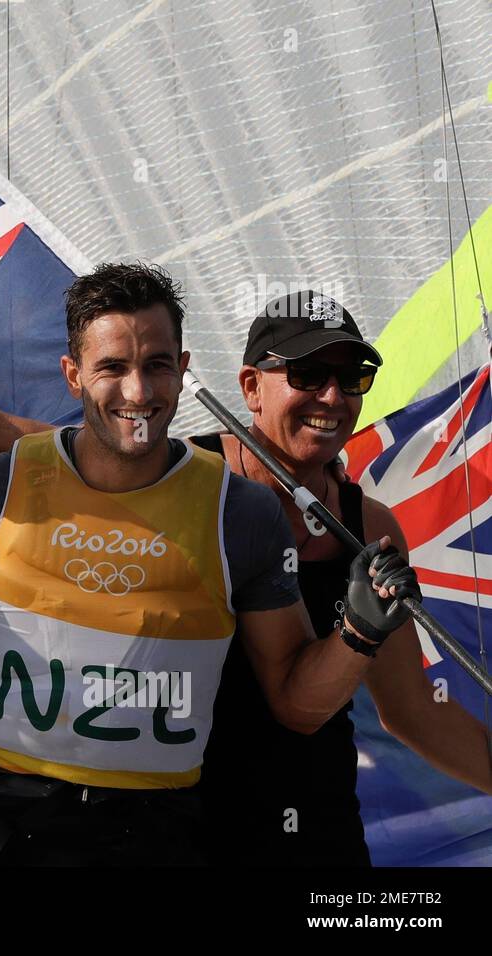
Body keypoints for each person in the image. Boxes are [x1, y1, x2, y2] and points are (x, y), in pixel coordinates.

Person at [0, 262, 420, 866]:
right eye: (112, 368)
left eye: (158, 365)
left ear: (184, 368)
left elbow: (299, 707)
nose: (138, 390)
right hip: (12, 827)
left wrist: (360, 631)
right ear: (73, 374)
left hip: (162, 833)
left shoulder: (238, 512)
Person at [193, 291, 492, 866]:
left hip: (323, 834)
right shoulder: (185, 479)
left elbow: (412, 710)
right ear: (251, 387)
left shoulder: (369, 526)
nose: (331, 397)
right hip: (191, 829)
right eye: (307, 374)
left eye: (351, 378)